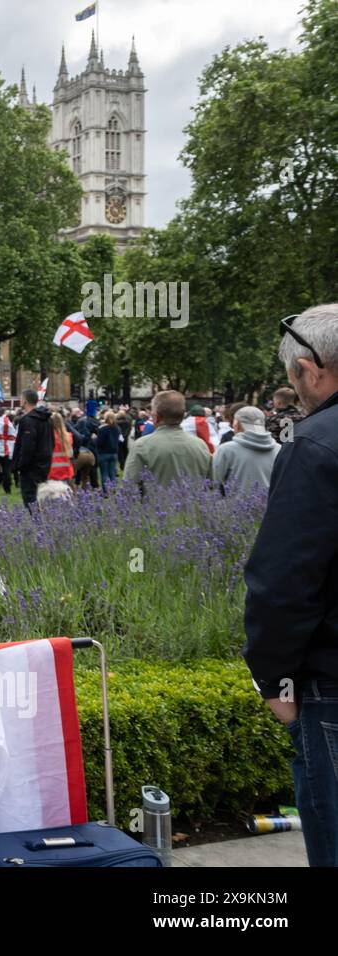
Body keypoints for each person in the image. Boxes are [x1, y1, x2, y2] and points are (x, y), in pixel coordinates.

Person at [243, 303, 338, 867]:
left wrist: (275, 681)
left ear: (312, 368)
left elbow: (283, 582)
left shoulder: (317, 445)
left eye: (293, 376)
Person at [123, 391, 213, 489]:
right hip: (195, 503)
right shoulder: (201, 445)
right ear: (183, 416)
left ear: (156, 416)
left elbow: (129, 487)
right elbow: (211, 484)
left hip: (156, 502)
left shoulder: (142, 446)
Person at [213, 406, 279, 496]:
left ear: (237, 425)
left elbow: (214, 483)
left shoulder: (226, 450)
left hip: (235, 507)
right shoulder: (279, 449)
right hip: (271, 507)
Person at [10, 389, 53, 511]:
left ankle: (37, 526)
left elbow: (27, 446)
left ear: (24, 401)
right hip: (44, 464)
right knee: (41, 499)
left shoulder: (28, 420)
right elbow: (52, 442)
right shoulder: (47, 419)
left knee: (31, 500)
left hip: (31, 467)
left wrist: (20, 465)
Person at [94, 412, 122, 489]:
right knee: (112, 472)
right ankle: (113, 489)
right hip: (114, 453)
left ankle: (106, 491)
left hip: (103, 453)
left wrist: (95, 439)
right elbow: (120, 440)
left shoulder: (102, 428)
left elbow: (100, 442)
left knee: (104, 473)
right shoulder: (118, 428)